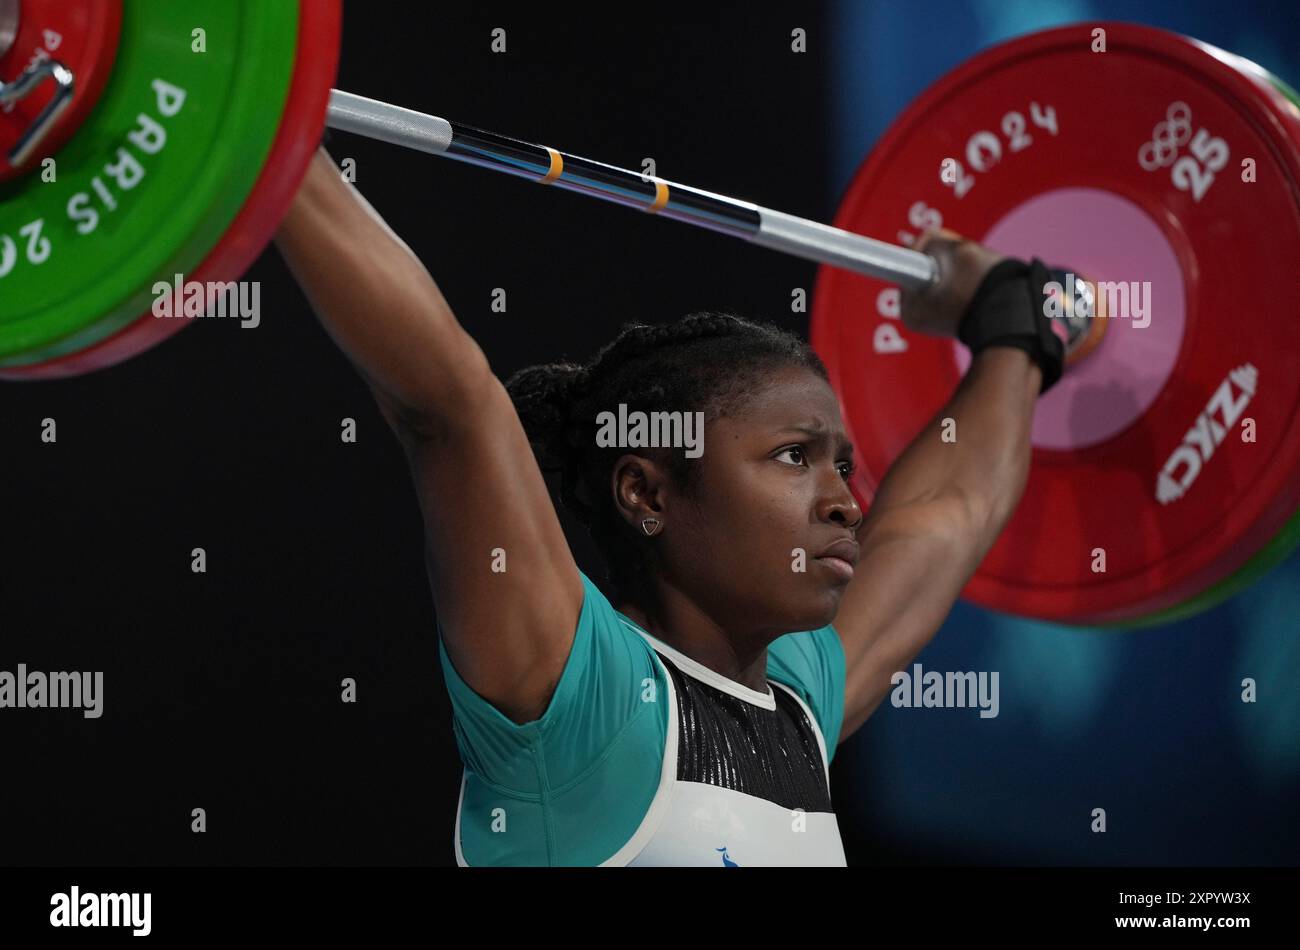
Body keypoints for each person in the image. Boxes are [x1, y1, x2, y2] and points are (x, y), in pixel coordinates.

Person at [275, 146, 1077, 866]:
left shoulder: (800, 700)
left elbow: (948, 509)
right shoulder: (585, 695)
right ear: (647, 492)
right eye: (793, 457)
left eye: (843, 465)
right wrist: (271, 143)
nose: (845, 504)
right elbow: (448, 407)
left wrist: (1012, 320)